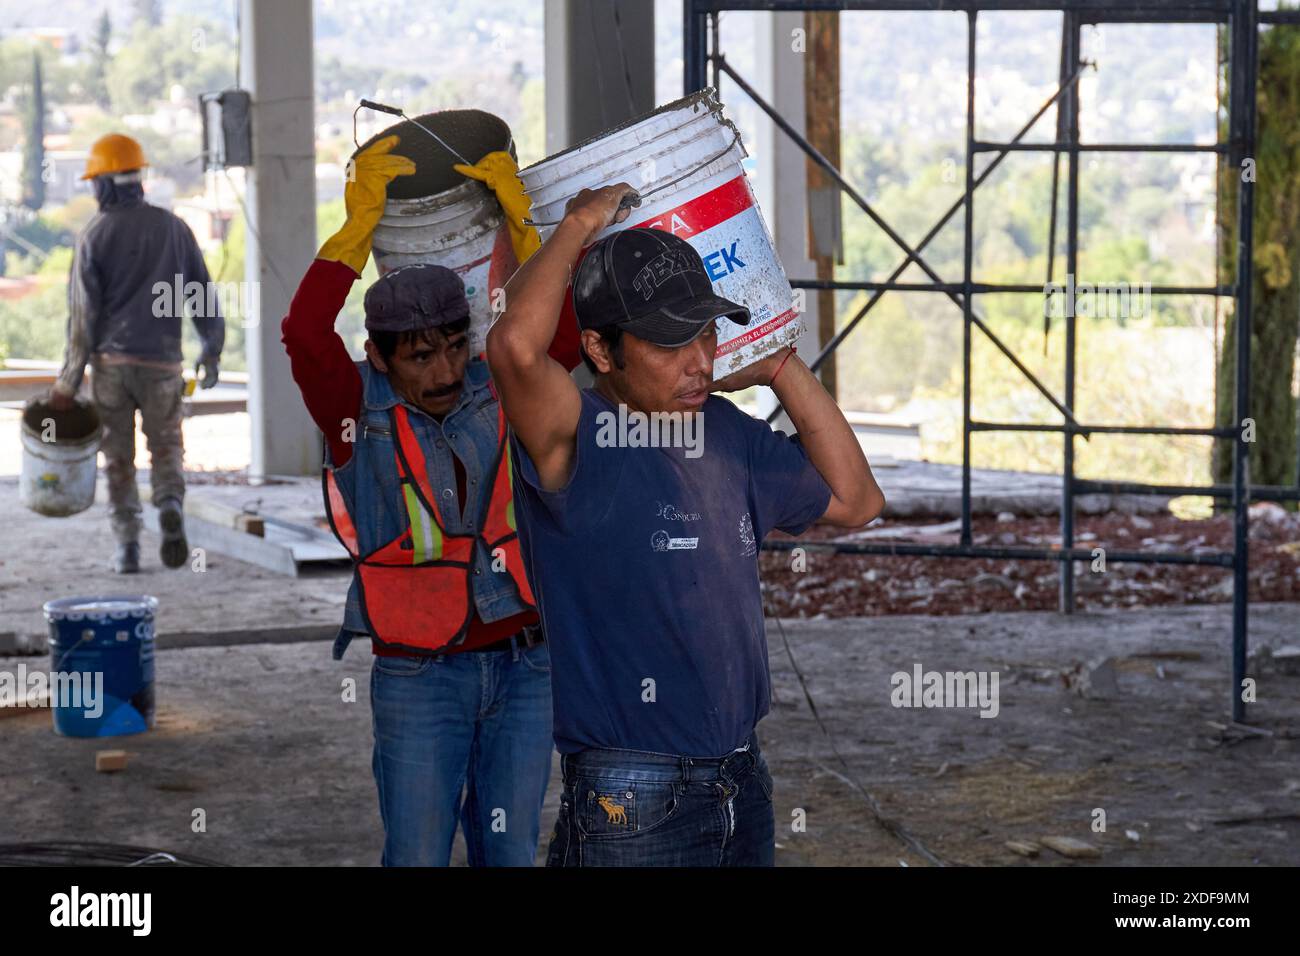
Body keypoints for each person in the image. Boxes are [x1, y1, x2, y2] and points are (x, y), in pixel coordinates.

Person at [486, 183, 886, 867]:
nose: (699, 359)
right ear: (602, 352)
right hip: (629, 796)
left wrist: (781, 368)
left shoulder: (726, 433)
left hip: (739, 775)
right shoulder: (577, 436)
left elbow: (857, 500)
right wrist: (581, 222)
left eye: (704, 330)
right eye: (670, 342)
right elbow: (516, 350)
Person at [281, 135, 565, 867]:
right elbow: (304, 333)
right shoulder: (354, 410)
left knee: (508, 854)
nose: (441, 371)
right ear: (378, 355)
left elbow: (560, 337)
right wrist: (355, 228)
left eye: (451, 346)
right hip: (419, 677)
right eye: (418, 355)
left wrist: (523, 227)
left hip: (526, 662)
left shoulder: (496, 380)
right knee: (417, 856)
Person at [49, 133, 223, 573]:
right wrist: (212, 349)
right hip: (163, 363)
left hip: (111, 367)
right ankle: (169, 504)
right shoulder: (174, 227)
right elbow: (202, 293)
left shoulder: (94, 234)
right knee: (167, 448)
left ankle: (127, 545)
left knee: (118, 459)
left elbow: (82, 318)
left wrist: (67, 382)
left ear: (105, 183)